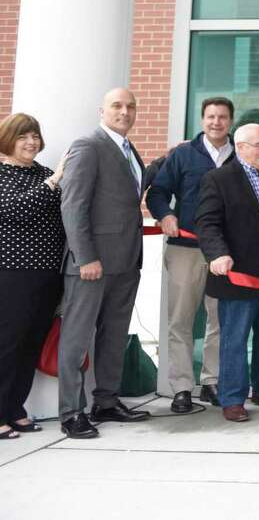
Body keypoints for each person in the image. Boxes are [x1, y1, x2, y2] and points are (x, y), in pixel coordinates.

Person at [57, 88, 152, 439]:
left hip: (126, 263)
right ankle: (71, 412)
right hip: (91, 265)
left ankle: (107, 401)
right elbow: (73, 206)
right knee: (76, 340)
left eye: (130, 107)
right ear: (102, 111)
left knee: (113, 336)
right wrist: (86, 257)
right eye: (117, 106)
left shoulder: (129, 151)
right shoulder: (88, 145)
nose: (124, 112)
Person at [194, 124, 259, 422]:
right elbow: (206, 222)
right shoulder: (219, 179)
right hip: (240, 271)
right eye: (258, 145)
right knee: (236, 336)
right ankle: (233, 398)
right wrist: (217, 253)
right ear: (240, 147)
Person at [145, 96, 235, 413]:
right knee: (180, 321)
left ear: (230, 121)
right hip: (186, 250)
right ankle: (181, 387)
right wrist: (164, 215)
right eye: (211, 116)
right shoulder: (184, 154)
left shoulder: (240, 156)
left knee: (219, 320)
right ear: (202, 120)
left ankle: (212, 382)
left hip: (224, 254)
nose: (216, 122)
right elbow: (157, 192)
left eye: (222, 117)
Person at [0, 114, 66, 441]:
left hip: (46, 274)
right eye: (23, 136)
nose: (31, 143)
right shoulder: (3, 172)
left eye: (35, 136)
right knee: (8, 344)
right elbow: (16, 210)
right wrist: (54, 182)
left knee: (31, 344)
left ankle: (16, 409)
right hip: (12, 273)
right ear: (8, 139)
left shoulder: (42, 173)